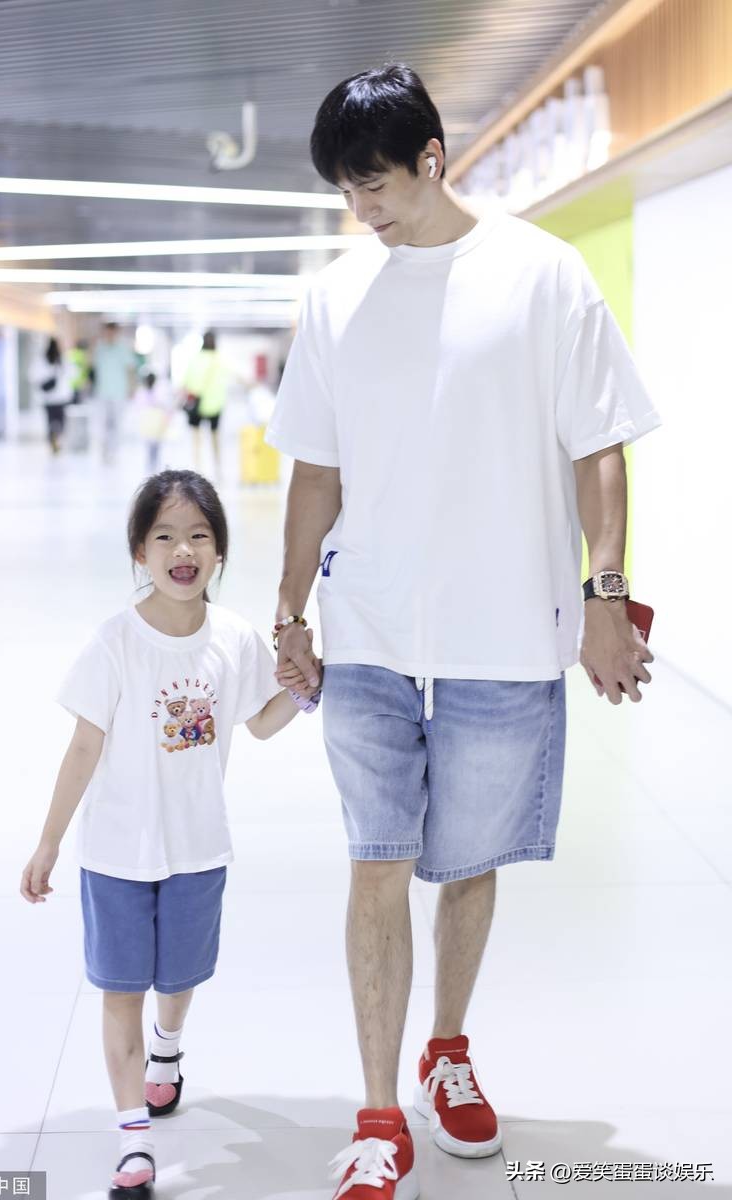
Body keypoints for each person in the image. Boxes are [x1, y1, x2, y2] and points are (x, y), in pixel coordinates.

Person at [266, 64, 660, 1200]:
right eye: (346, 192)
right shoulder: (336, 296)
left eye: (376, 184)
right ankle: (379, 1111)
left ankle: (446, 1047)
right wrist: (289, 612)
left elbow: (599, 447)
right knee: (376, 863)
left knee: (467, 860)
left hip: (504, 634)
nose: (362, 210)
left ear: (433, 157)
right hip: (372, 627)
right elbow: (313, 471)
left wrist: (603, 597)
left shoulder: (542, 276)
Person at [20, 469, 321, 1199]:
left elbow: (260, 721)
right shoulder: (115, 643)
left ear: (218, 553)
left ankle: (167, 1051)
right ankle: (133, 1138)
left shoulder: (234, 639)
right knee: (120, 987)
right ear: (138, 552)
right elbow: (83, 748)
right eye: (164, 536)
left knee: (178, 976)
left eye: (198, 535)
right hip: (116, 855)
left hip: (197, 849)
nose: (182, 549)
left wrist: (309, 689)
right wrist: (50, 841)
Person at [179, 330, 228, 476]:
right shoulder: (220, 359)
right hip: (215, 404)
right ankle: (218, 467)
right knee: (215, 437)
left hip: (197, 404)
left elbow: (186, 381)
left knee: (196, 438)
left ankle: (197, 468)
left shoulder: (195, 359)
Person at [93, 323, 137, 463]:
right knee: (103, 423)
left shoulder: (123, 348)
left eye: (111, 332)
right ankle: (104, 450)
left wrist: (131, 388)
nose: (109, 335)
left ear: (116, 332)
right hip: (102, 391)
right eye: (106, 332)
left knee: (117, 424)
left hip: (119, 392)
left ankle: (113, 451)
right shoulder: (99, 348)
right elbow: (91, 366)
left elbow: (130, 369)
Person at [28, 336, 72, 454]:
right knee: (60, 421)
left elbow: (33, 377)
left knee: (51, 421)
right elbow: (71, 374)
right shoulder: (62, 359)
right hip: (60, 398)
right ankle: (56, 440)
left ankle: (54, 440)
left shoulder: (43, 360)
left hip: (48, 398)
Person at [134, 371, 175, 474]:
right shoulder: (159, 392)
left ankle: (150, 467)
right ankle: (154, 467)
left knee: (149, 447)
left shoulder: (141, 393)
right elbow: (166, 406)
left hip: (147, 423)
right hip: (157, 423)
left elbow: (138, 408)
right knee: (156, 447)